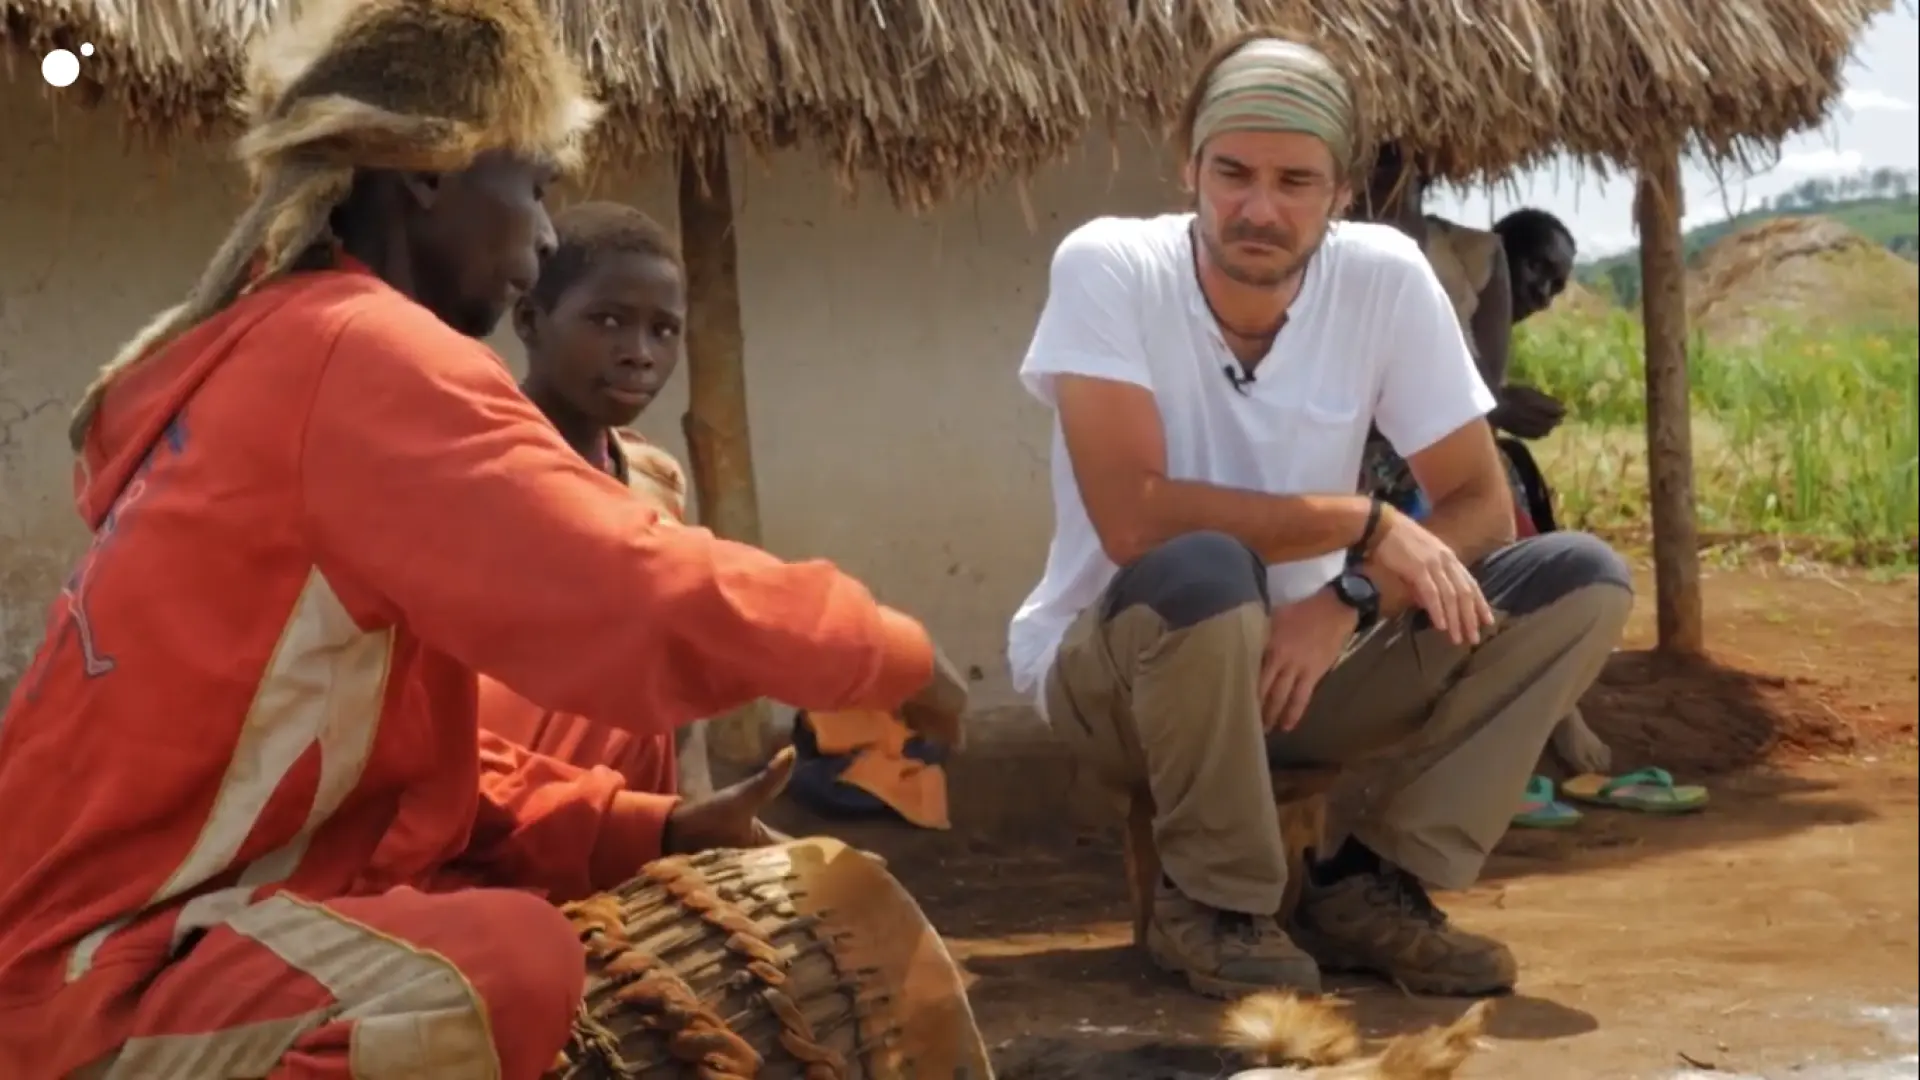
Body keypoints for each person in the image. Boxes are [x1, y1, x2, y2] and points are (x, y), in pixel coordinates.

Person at [0, 1, 967, 1076]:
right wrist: (892, 656)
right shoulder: (362, 353)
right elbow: (637, 599)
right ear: (428, 171)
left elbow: (407, 771)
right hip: (94, 986)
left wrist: (645, 830)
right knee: (501, 965)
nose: (547, 235)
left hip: (102, 950)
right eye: (537, 186)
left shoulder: (280, 347)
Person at [1005, 32, 1633, 1000]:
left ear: (1340, 192)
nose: (1259, 208)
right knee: (1206, 565)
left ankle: (1373, 886)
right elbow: (1135, 520)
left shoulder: (1382, 277)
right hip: (1125, 677)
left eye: (1296, 180)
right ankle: (1215, 902)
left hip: (1301, 673)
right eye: (1233, 173)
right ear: (1190, 169)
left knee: (1577, 579)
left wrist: (1344, 594)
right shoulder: (1112, 267)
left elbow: (1477, 501)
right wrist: (1367, 525)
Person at [1358, 153, 1610, 775]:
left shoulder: (1463, 268)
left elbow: (1467, 395)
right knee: (1475, 521)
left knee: (1503, 509)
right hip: (1381, 453)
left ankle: (1530, 699)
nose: (1544, 294)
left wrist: (1493, 410)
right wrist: (1495, 408)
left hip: (1430, 446)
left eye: (1556, 284)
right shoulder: (1386, 259)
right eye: (1539, 271)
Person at [477, 199, 716, 800]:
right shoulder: (480, 471)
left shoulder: (654, 477)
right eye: (608, 321)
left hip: (633, 820)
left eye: (664, 330)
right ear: (530, 320)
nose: (640, 351)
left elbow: (672, 669)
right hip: (503, 805)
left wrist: (696, 812)